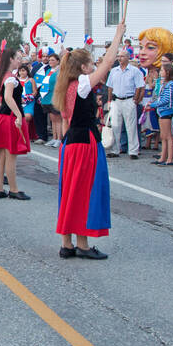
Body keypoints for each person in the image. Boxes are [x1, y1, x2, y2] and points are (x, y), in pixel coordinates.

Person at [56, 21, 127, 259]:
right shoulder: (82, 83)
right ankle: (83, 245)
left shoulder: (65, 85)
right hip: (84, 142)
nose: (94, 66)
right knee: (84, 191)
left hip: (70, 142)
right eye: (91, 64)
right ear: (84, 67)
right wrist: (118, 36)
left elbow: (66, 120)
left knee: (70, 191)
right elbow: (107, 64)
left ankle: (67, 243)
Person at [0, 47, 31, 200]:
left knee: (1, 155)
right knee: (10, 155)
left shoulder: (1, 75)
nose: (20, 61)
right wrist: (18, 114)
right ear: (10, 59)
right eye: (18, 58)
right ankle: (13, 189)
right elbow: (8, 97)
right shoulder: (10, 77)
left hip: (2, 116)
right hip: (10, 118)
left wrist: (2, 105)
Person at [105, 50, 144, 160]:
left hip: (129, 99)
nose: (120, 58)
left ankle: (133, 151)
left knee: (131, 126)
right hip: (116, 100)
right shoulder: (114, 71)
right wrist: (109, 101)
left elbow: (139, 86)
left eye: (122, 56)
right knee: (115, 126)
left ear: (128, 57)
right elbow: (110, 87)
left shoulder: (134, 71)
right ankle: (115, 149)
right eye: (119, 56)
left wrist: (135, 100)